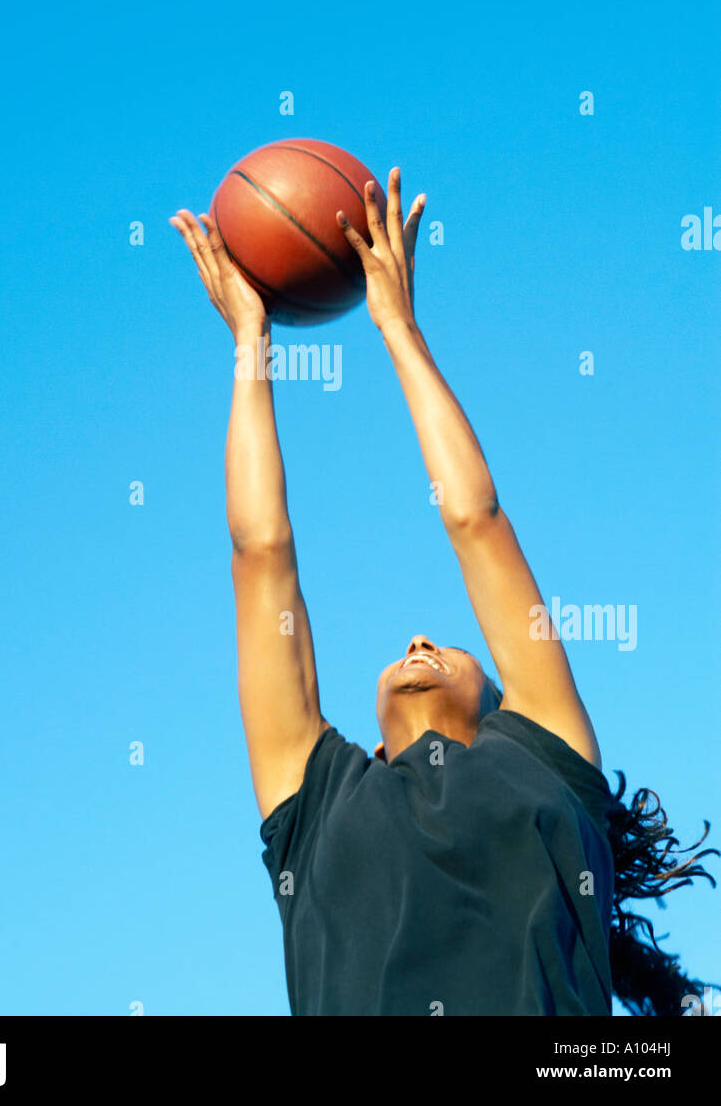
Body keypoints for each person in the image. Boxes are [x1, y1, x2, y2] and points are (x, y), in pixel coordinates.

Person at [170, 168, 717, 1017]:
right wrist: (251, 342)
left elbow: (475, 519)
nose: (421, 639)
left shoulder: (545, 757)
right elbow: (260, 554)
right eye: (414, 647)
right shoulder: (314, 800)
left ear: (506, 705)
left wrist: (398, 326)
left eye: (452, 647)